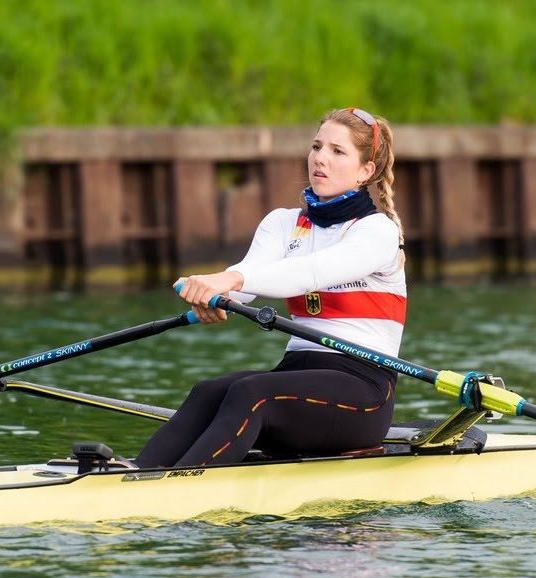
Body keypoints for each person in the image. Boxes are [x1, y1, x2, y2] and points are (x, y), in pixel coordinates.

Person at [135, 107, 406, 468]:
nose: (320, 158)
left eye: (337, 151)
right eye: (316, 147)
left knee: (252, 393)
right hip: (296, 374)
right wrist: (216, 297)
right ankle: (134, 474)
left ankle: (182, 483)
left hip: (364, 392)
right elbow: (248, 275)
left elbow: (310, 272)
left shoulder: (377, 232)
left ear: (365, 171)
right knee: (208, 392)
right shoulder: (283, 223)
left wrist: (229, 281)